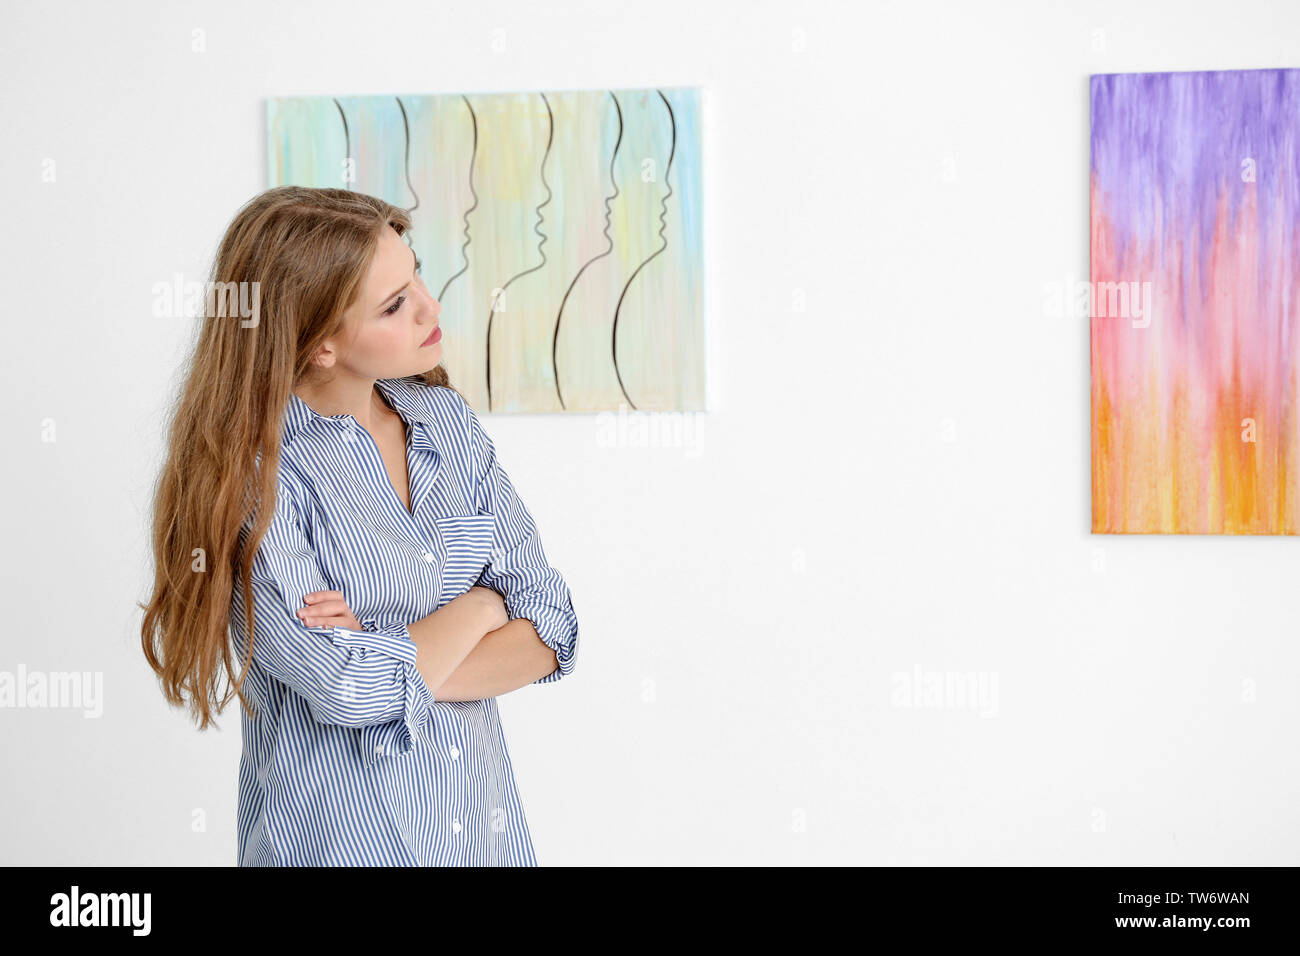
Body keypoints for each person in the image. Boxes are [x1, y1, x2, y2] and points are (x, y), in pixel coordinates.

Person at [139, 185, 580, 865]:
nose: (430, 308)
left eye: (417, 275)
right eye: (394, 304)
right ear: (319, 345)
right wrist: (484, 607)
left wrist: (383, 646)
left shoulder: (447, 425)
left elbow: (553, 627)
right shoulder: (257, 479)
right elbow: (348, 687)